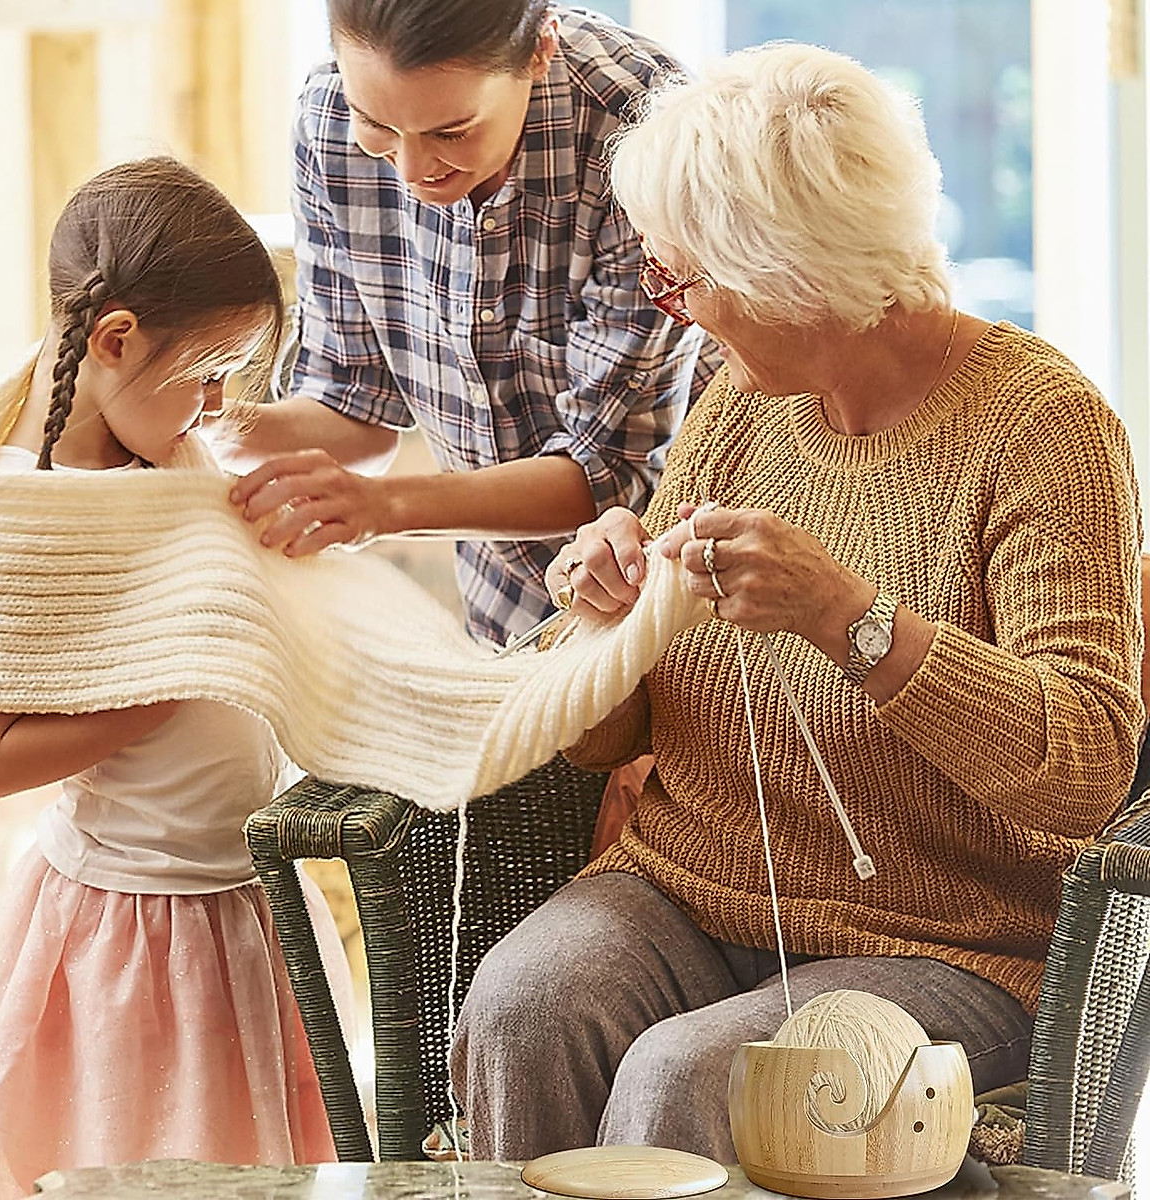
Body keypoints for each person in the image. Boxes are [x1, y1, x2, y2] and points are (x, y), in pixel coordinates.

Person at [449, 43, 1144, 1162]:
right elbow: (625, 728)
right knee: (523, 1004)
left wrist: (849, 618)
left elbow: (1087, 762)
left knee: (695, 1078)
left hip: (952, 950)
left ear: (791, 270)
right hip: (689, 892)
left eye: (686, 281)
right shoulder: (740, 404)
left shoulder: (1042, 430)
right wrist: (605, 624)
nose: (671, 315)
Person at [0, 158, 353, 1200]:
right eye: (209, 371)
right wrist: (162, 687)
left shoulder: (176, 462)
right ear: (117, 339)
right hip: (128, 933)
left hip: (250, 907)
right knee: (142, 1172)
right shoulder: (20, 511)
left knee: (261, 1172)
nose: (221, 402)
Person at [225, 0, 719, 646]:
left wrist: (386, 508)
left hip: (670, 578)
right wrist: (203, 424)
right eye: (376, 124)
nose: (410, 169)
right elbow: (355, 410)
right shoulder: (326, 125)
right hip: (503, 596)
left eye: (451, 132)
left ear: (540, 48)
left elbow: (605, 473)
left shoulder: (638, 126)